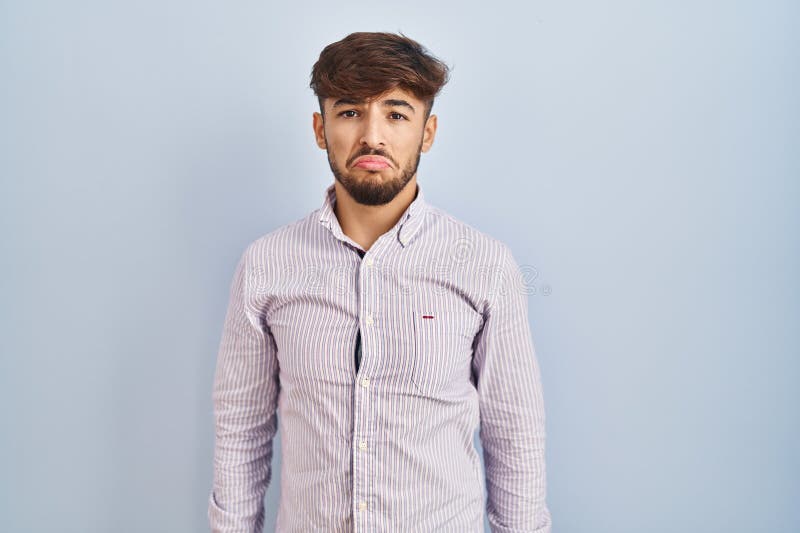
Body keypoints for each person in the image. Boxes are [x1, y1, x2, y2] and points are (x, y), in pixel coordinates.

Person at [208, 31, 552, 533]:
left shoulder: (485, 265)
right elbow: (241, 431)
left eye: (396, 114)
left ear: (427, 133)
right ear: (320, 129)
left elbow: (514, 436)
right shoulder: (267, 265)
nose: (372, 136)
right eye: (350, 111)